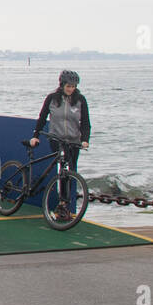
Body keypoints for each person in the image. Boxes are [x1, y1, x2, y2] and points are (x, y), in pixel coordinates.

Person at [31, 70, 90, 218]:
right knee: (63, 168)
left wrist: (85, 140)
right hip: (56, 139)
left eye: (74, 86)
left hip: (73, 141)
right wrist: (36, 136)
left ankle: (65, 204)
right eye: (68, 86)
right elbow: (42, 117)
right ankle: (63, 203)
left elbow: (86, 123)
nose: (71, 89)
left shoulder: (80, 100)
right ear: (62, 85)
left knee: (71, 170)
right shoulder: (52, 98)